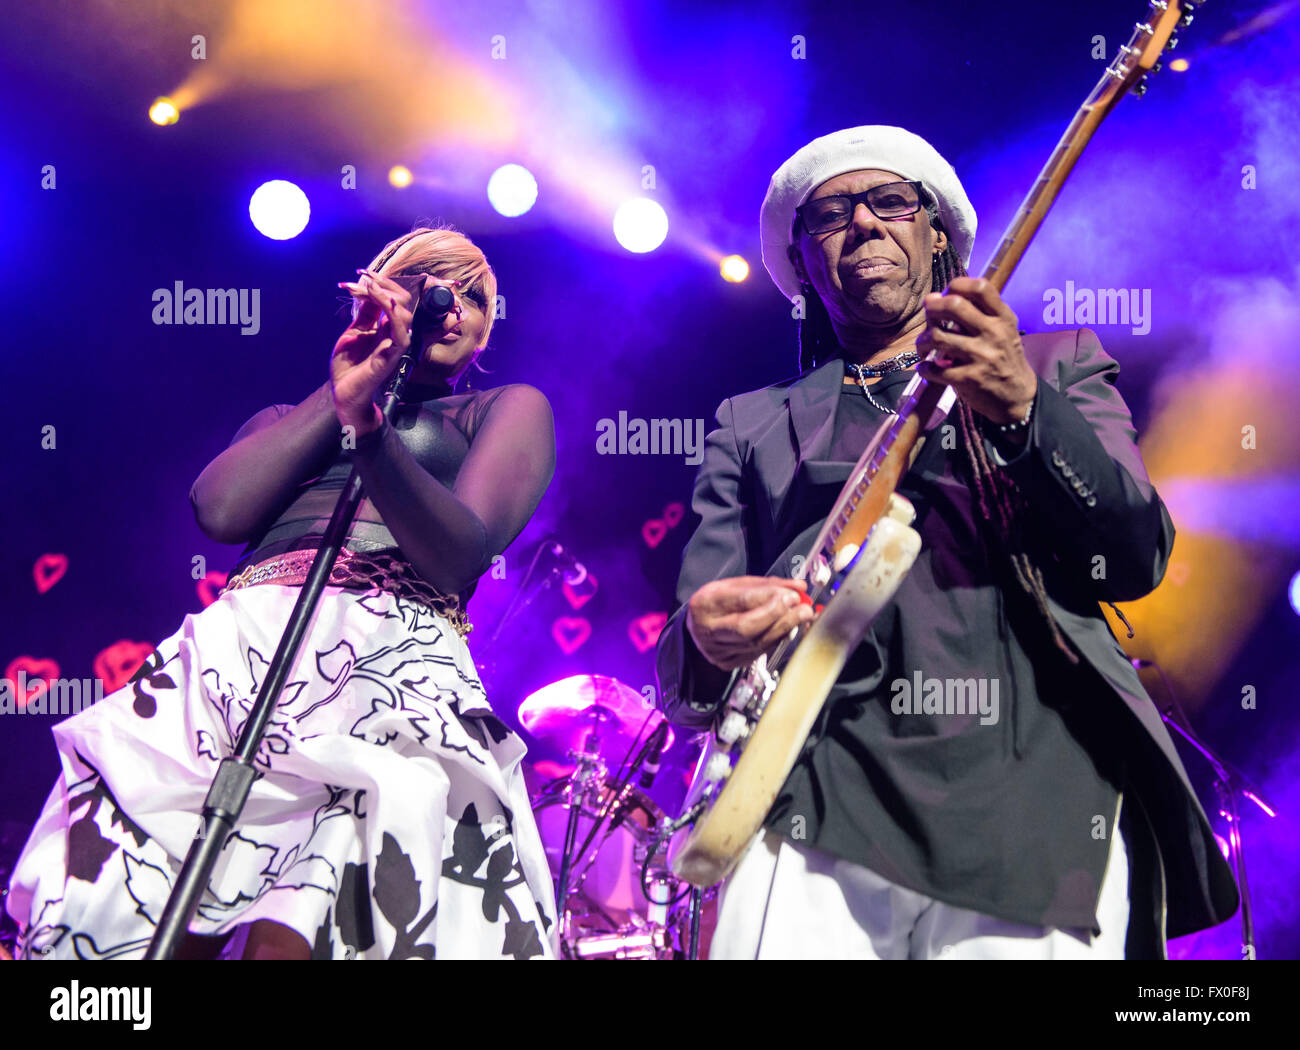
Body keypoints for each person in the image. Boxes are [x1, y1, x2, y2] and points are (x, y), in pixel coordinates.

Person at [655, 125, 1239, 959]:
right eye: (829, 215)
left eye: (891, 202)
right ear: (804, 265)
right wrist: (709, 638)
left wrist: (1024, 408)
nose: (862, 224)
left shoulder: (1056, 362)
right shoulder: (751, 425)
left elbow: (1134, 551)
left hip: (1037, 795)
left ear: (938, 237)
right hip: (809, 796)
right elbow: (685, 674)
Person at [8, 226, 559, 960]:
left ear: (491, 325)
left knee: (315, 907)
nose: (451, 306)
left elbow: (458, 553)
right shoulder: (288, 416)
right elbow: (220, 510)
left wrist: (369, 429)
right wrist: (346, 392)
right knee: (155, 882)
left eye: (473, 297)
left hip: (388, 658)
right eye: (429, 286)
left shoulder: (501, 410)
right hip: (248, 644)